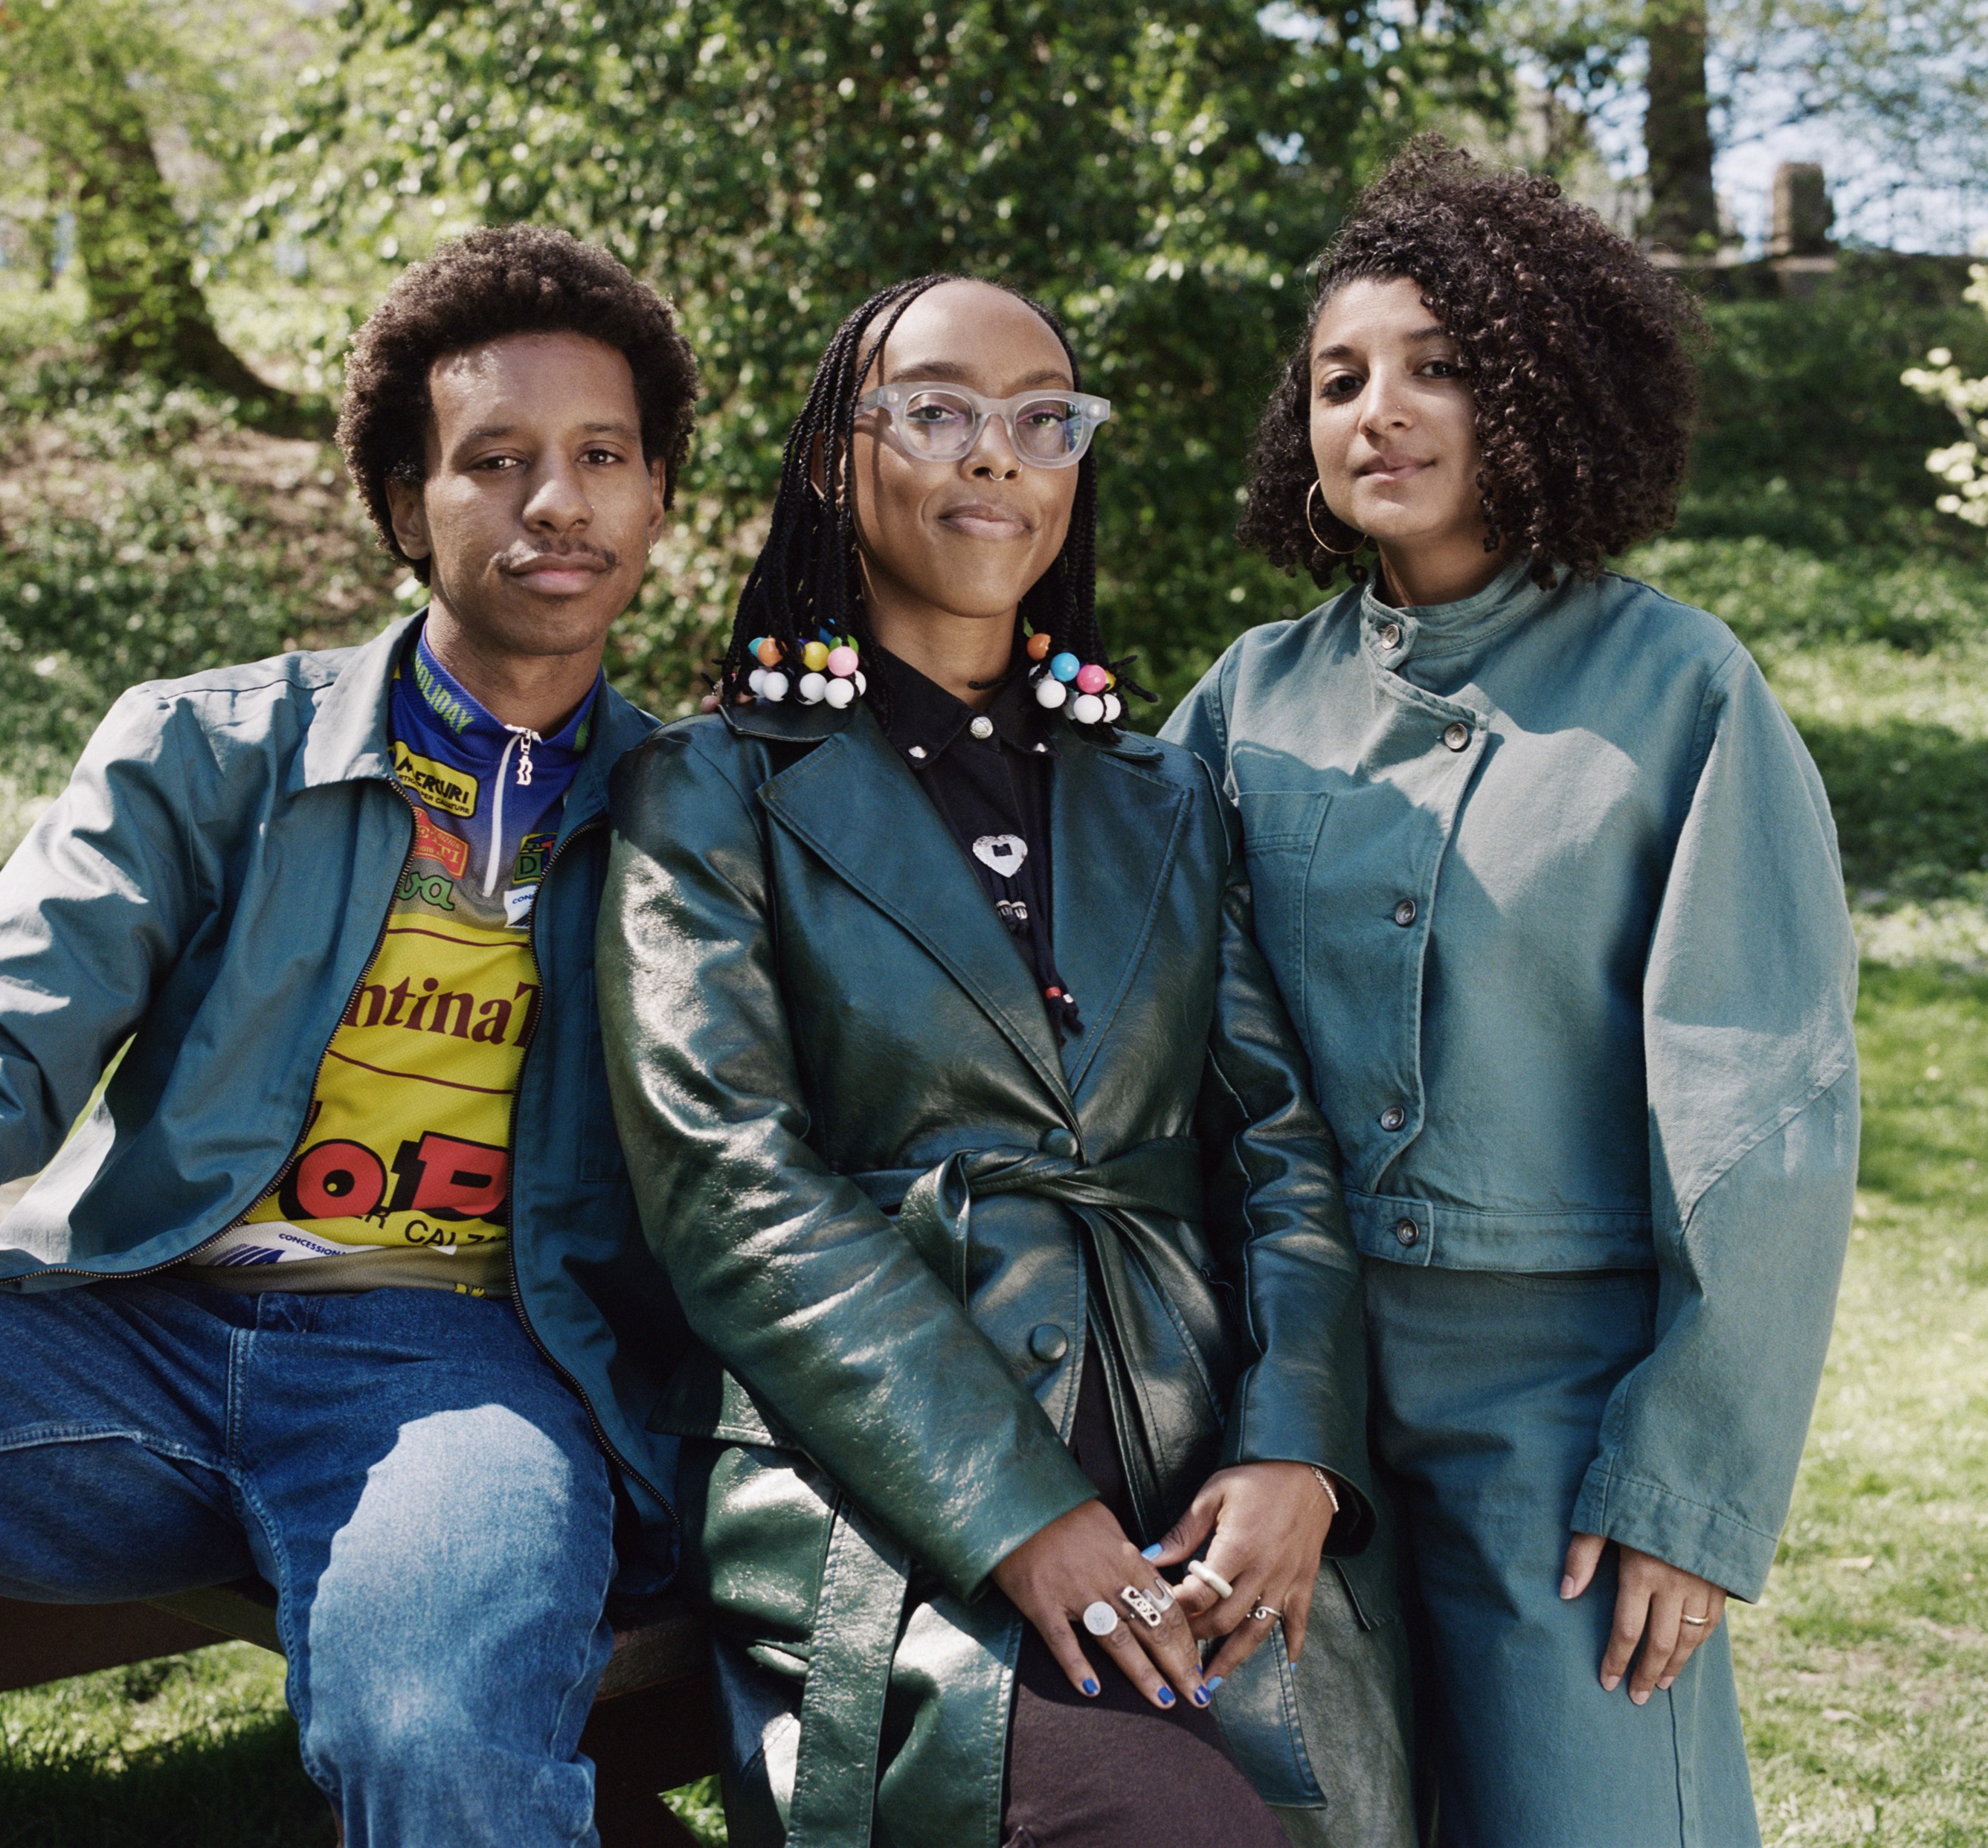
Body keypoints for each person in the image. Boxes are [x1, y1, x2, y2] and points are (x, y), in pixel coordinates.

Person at [0, 225, 699, 1848]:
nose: (557, 500)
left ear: (655, 494)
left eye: (603, 455)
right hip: (145, 1319)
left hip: (459, 1365)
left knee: (436, 1735)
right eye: (495, 459)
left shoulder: (694, 814)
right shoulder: (206, 748)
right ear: (406, 502)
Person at [596, 274, 1418, 1848]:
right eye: (937, 411)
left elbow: (1278, 1152)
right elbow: (730, 1190)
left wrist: (1295, 1447)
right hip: (891, 1478)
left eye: (1042, 418)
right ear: (839, 458)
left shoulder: (1163, 793)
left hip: (1189, 1448)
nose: (996, 455)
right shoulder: (708, 792)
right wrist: (1020, 1514)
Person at [1159, 138, 1859, 1848]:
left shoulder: (1680, 687)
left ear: (1539, 390)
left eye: (1438, 367)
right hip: (1285, 1403)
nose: (1377, 411)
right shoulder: (1248, 699)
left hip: (1564, 1418)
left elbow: (1759, 1112)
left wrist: (1681, 1489)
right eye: (1338, 379)